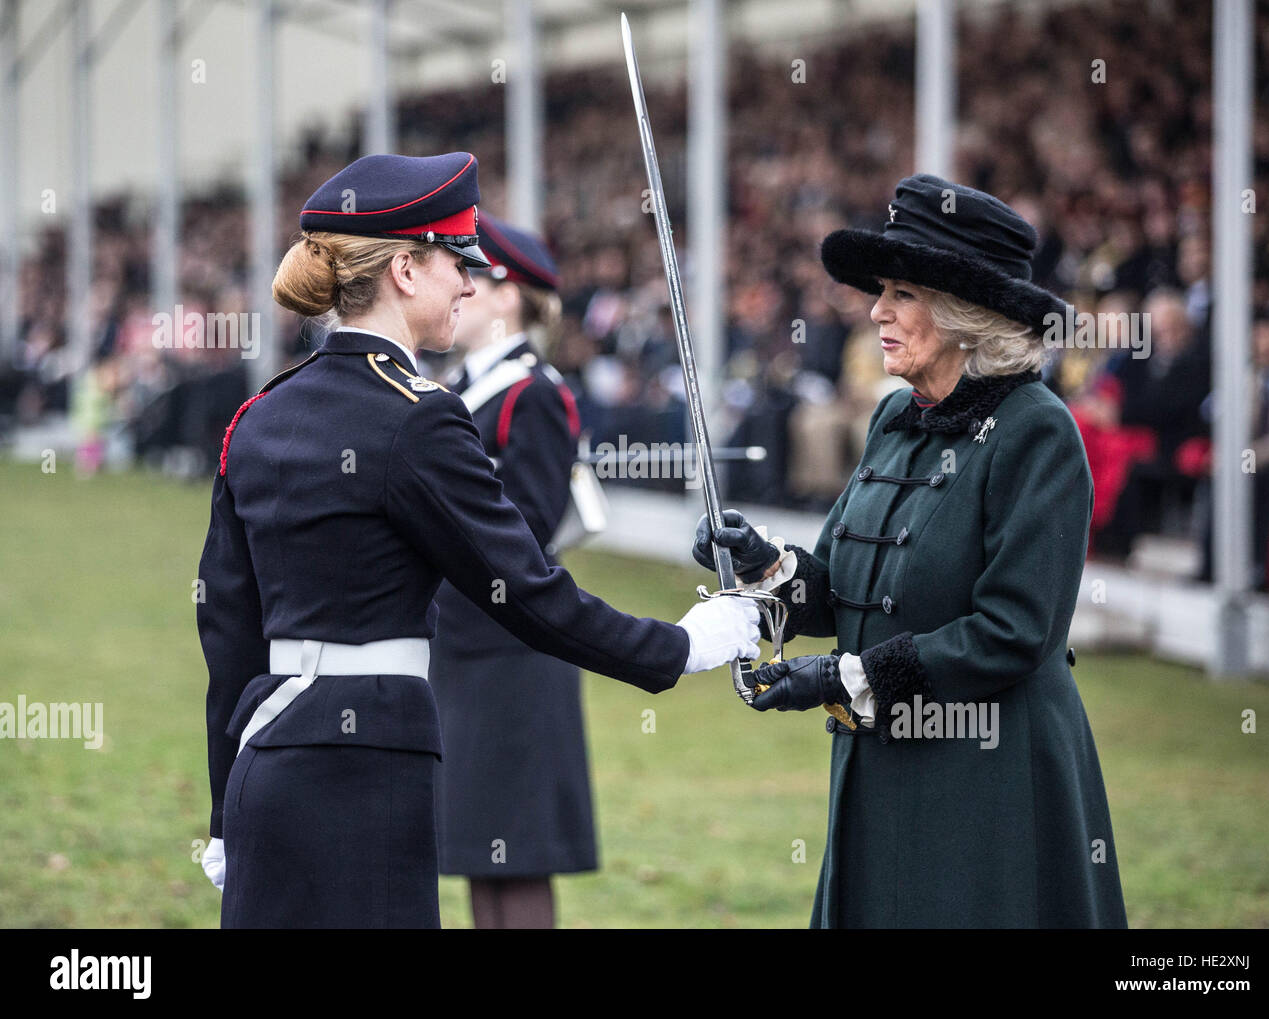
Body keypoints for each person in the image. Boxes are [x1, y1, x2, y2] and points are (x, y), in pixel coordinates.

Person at [196, 152, 760, 928]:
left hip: (265, 761)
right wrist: (679, 644)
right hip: (370, 766)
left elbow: (226, 630)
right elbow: (526, 584)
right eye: (454, 261)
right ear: (403, 269)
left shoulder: (257, 414)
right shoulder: (419, 417)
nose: (469, 281)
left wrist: (225, 807)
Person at [694, 174, 1127, 929]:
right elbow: (840, 591)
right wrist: (763, 562)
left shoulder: (1037, 430)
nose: (877, 312)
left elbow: (1016, 630)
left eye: (903, 292)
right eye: (881, 290)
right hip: (881, 764)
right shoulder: (896, 416)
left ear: (966, 315)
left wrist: (844, 675)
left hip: (988, 777)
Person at [428, 213, 594, 928]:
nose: (459, 291)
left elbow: (524, 531)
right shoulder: (461, 389)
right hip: (465, 644)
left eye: (476, 278)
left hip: (512, 650)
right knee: (475, 850)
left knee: (516, 855)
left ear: (510, 296)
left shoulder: (532, 393)